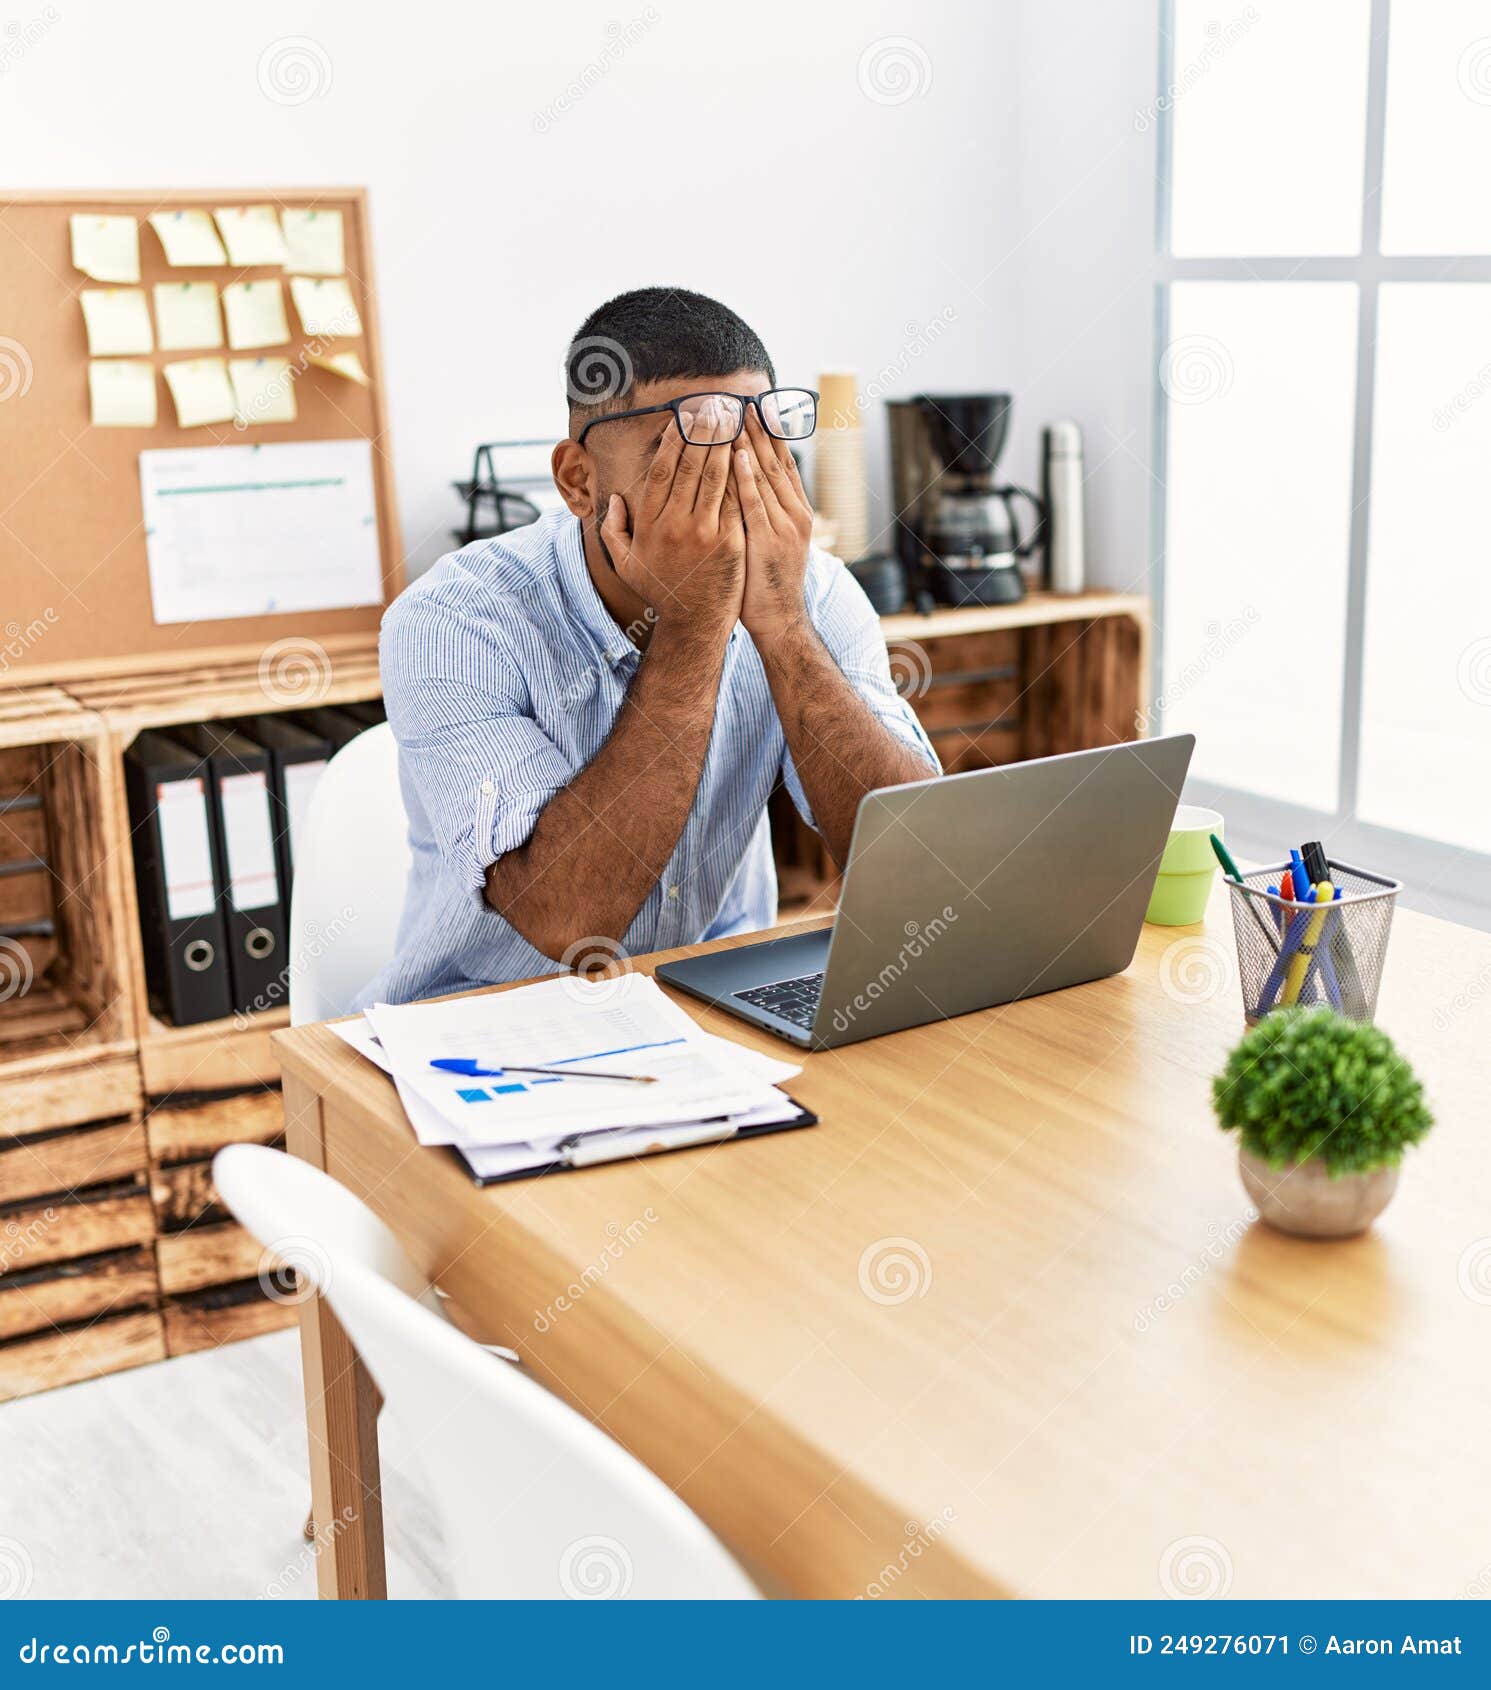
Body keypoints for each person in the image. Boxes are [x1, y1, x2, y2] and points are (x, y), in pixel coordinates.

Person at [363, 286, 938, 1004]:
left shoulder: (811, 591)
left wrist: (783, 626)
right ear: (580, 480)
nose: (728, 485)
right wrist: (693, 624)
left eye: (753, 448)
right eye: (685, 457)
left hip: (712, 998)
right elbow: (570, 924)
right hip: (482, 1021)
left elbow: (919, 861)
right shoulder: (454, 622)